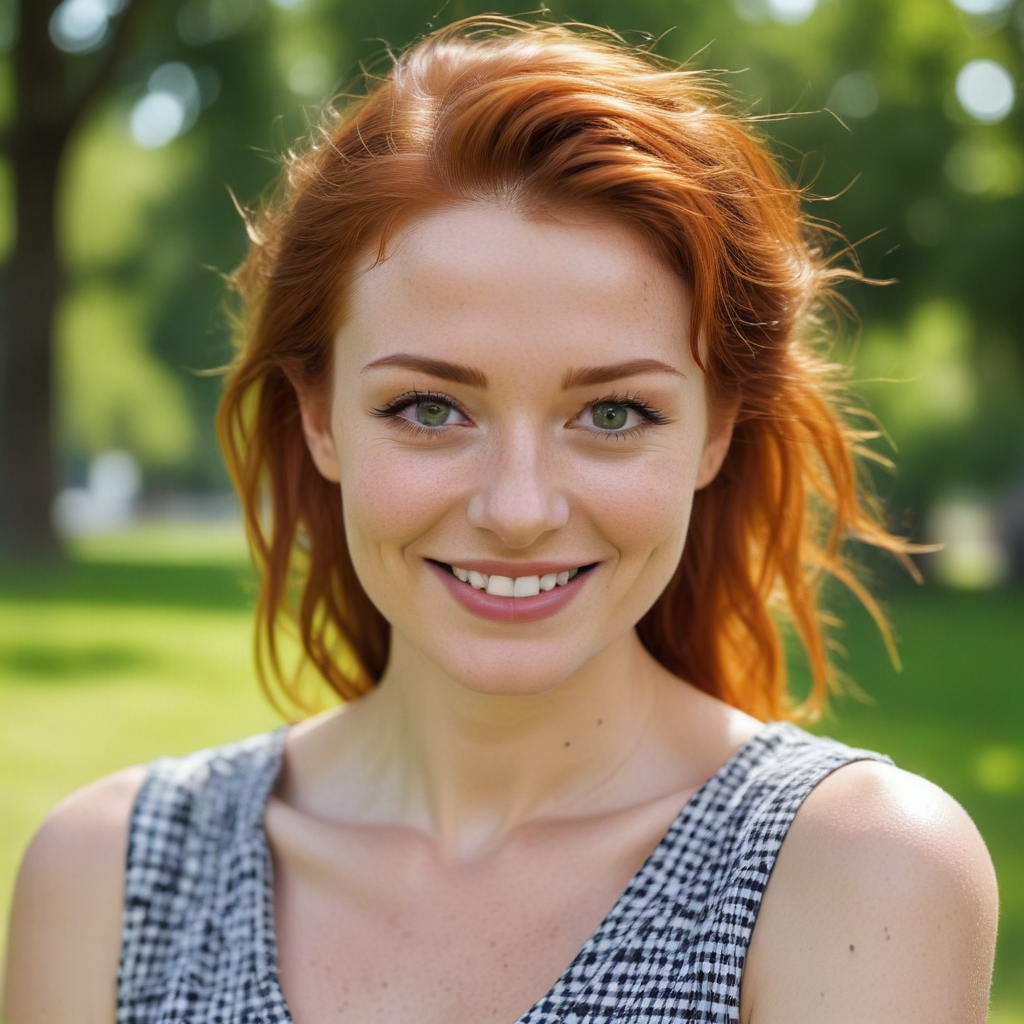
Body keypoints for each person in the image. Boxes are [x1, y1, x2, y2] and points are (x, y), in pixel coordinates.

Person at [4, 16, 998, 1024]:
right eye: (429, 409)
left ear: (713, 433)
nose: (518, 509)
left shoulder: (855, 875)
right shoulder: (110, 879)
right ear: (319, 418)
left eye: (613, 413)